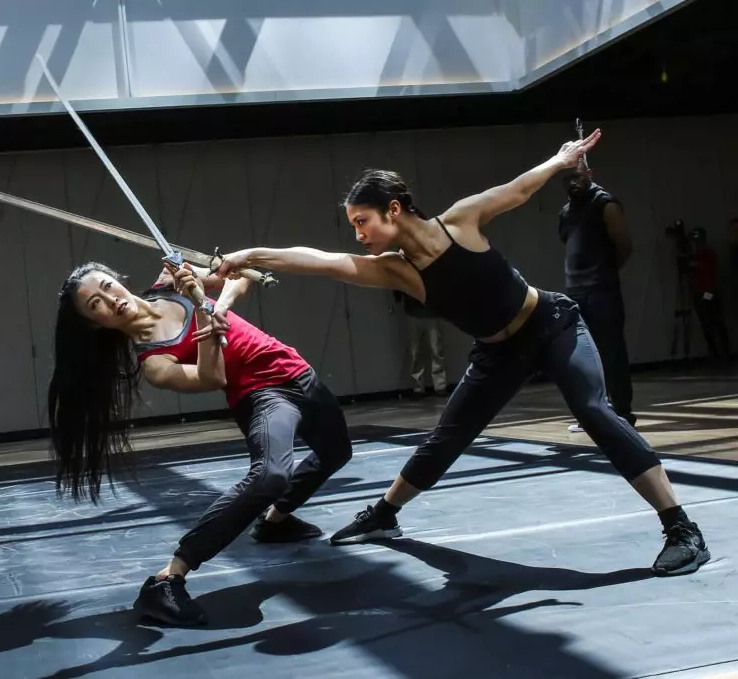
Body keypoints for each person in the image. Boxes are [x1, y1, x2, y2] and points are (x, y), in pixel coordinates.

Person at [213, 128, 710, 577]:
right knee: (447, 436)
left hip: (552, 325)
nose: (358, 235)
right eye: (353, 226)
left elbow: (518, 188)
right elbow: (322, 262)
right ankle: (384, 514)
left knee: (595, 411)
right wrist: (249, 256)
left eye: (362, 222)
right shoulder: (395, 270)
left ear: (393, 209)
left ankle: (681, 528)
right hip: (499, 353)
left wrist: (560, 161)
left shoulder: (461, 221)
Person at [48, 260, 353, 626]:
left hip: (295, 369)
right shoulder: (156, 362)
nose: (110, 300)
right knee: (271, 475)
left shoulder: (170, 285)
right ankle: (168, 578)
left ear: (118, 279)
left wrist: (215, 292)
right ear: (96, 323)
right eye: (96, 304)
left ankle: (276, 522)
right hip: (262, 393)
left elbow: (239, 276)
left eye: (107, 286)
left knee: (337, 452)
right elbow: (214, 375)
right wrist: (210, 319)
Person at [559, 166, 636, 428]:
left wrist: (604, 275)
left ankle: (623, 413)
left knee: (612, 352)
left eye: (577, 176)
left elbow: (624, 246)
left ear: (588, 174)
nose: (573, 182)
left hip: (602, 290)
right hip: (575, 292)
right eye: (567, 179)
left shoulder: (605, 203)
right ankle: (593, 413)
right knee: (583, 356)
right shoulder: (567, 212)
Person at [394, 291, 449, 398]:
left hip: (428, 311)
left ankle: (438, 387)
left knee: (435, 349)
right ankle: (420, 387)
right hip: (416, 311)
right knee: (416, 352)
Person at [688, 226, 731, 360]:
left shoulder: (707, 254)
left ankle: (723, 351)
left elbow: (712, 274)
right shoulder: (696, 255)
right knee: (707, 323)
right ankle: (715, 351)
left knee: (715, 321)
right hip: (702, 292)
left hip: (708, 292)